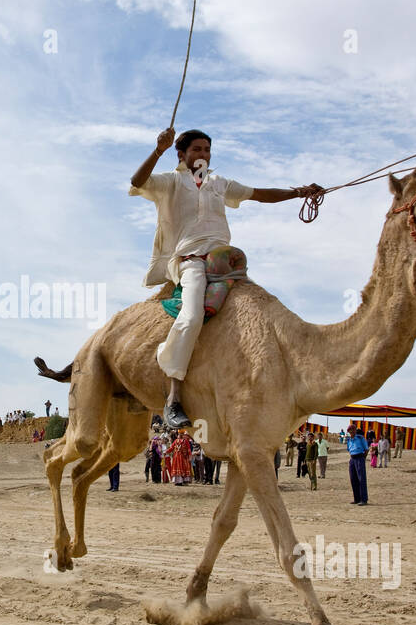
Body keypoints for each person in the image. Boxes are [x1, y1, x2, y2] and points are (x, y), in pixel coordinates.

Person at [130, 126, 322, 428]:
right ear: (182, 154)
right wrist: (158, 151)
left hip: (224, 261)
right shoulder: (171, 182)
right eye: (196, 150)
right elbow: (137, 181)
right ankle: (173, 397)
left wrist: (300, 192)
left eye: (207, 150)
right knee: (192, 317)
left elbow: (260, 195)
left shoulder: (219, 183)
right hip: (191, 261)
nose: (203, 154)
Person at [346, 423, 370, 505]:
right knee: (353, 479)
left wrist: (363, 458)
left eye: (353, 429)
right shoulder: (349, 440)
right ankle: (356, 499)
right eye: (350, 430)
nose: (352, 431)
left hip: (360, 458)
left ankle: (364, 499)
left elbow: (366, 449)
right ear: (348, 431)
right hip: (352, 459)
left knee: (361, 479)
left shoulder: (360, 438)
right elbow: (349, 450)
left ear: (355, 430)